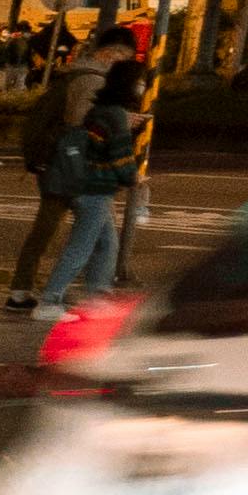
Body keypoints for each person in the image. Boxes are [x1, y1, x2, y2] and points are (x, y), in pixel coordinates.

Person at [18, 23, 156, 320]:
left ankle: (96, 297)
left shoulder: (102, 104)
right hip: (90, 183)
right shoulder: (100, 95)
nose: (139, 88)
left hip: (84, 180)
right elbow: (114, 153)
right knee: (81, 245)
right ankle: (51, 300)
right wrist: (134, 178)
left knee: (105, 242)